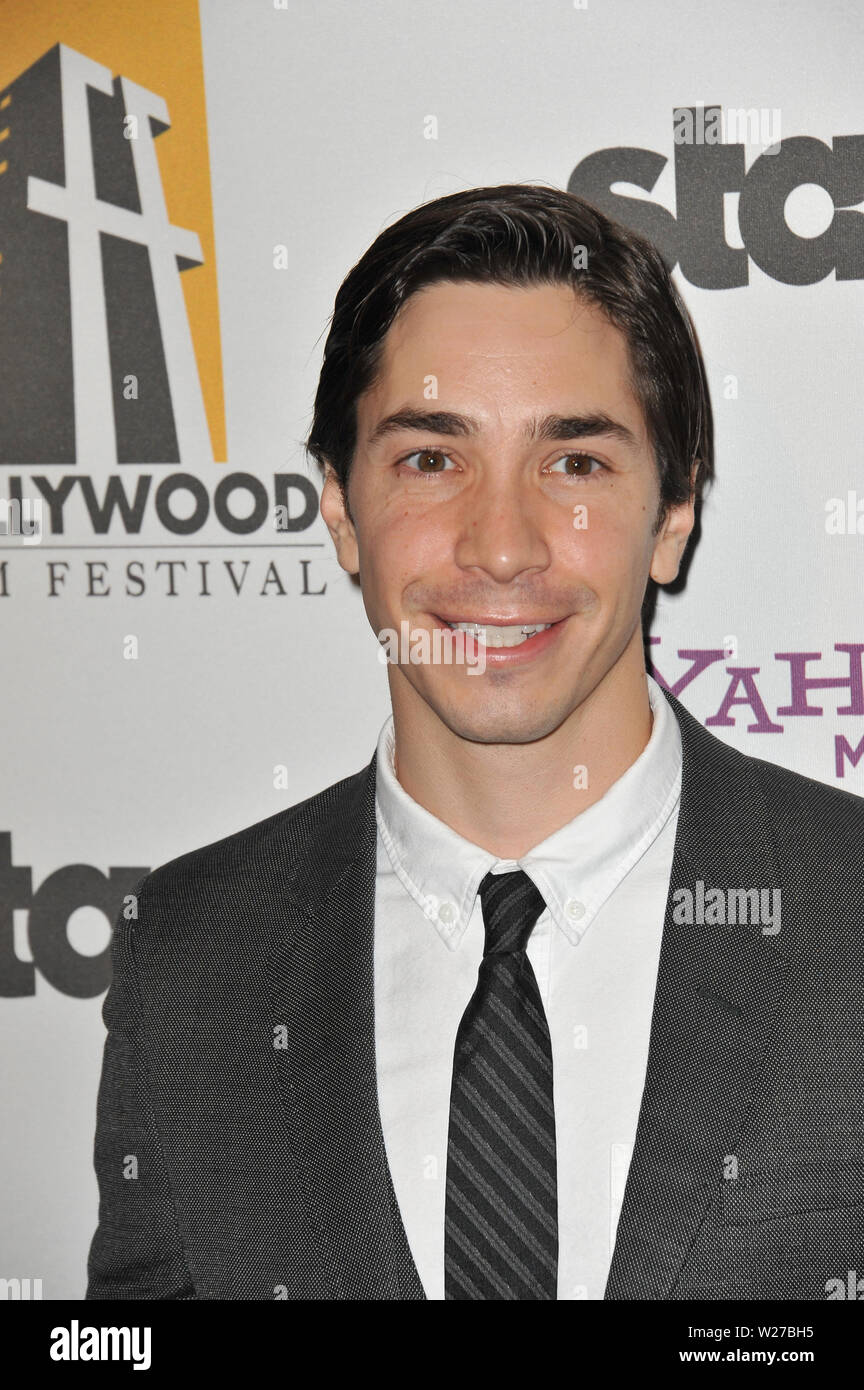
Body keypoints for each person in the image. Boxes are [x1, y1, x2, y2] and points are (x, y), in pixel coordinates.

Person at [87, 184, 864, 1301]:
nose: (502, 547)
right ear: (342, 511)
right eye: (430, 460)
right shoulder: (190, 961)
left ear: (676, 512)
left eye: (577, 463)